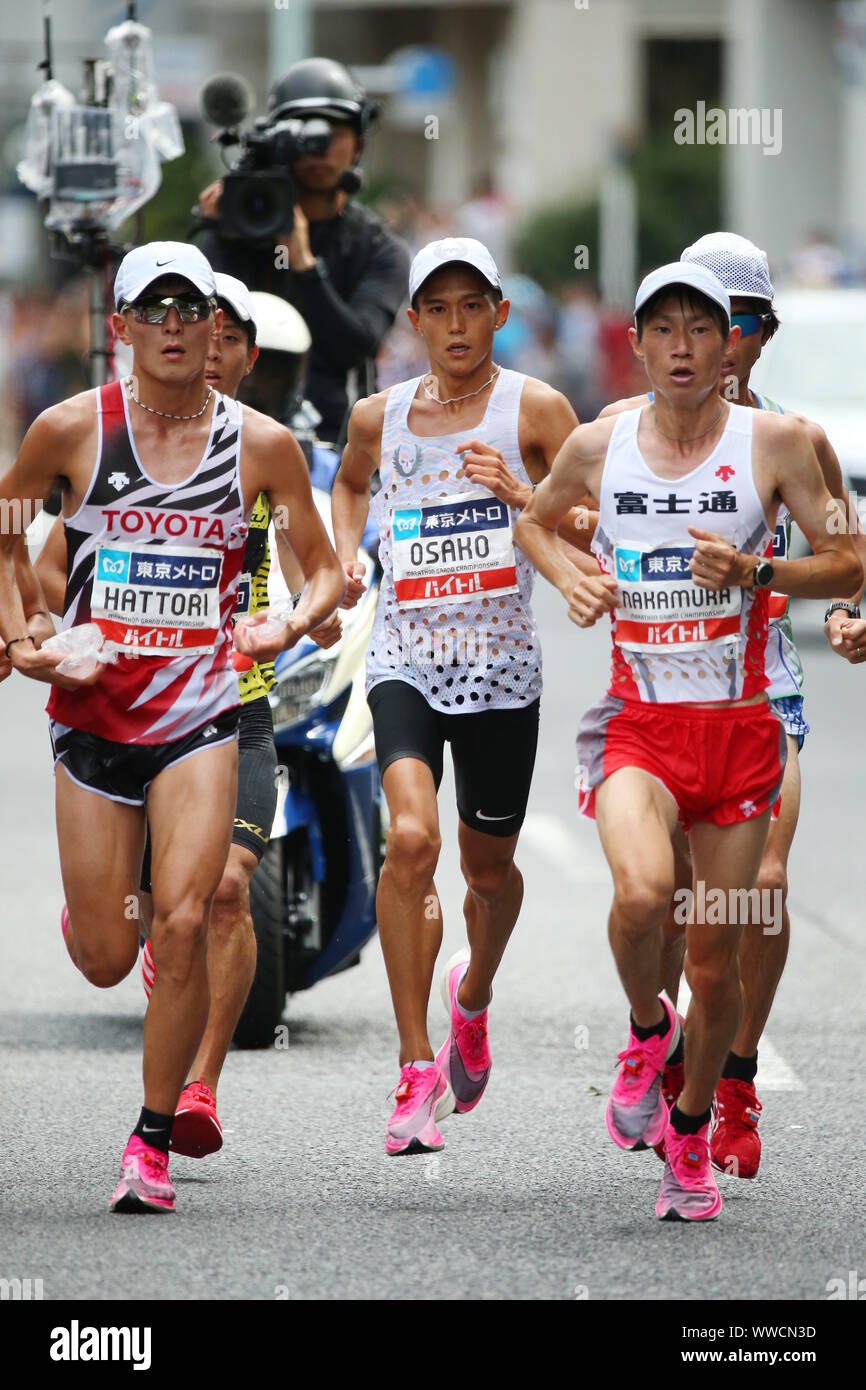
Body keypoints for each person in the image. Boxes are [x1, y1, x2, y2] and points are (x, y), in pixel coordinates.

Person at [0, 241, 345, 1212]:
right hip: (92, 717)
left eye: (190, 310)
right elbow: (3, 533)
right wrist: (30, 633)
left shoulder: (263, 445)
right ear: (120, 328)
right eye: (153, 310)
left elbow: (318, 564)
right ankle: (101, 908)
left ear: (212, 326)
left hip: (202, 715)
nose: (174, 327)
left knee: (188, 920)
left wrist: (289, 616)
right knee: (110, 956)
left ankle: (152, 1140)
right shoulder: (68, 431)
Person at [515, 262, 860, 1221]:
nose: (681, 347)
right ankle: (643, 1028)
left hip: (742, 735)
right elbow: (537, 526)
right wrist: (574, 579)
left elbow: (849, 562)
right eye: (662, 329)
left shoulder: (782, 442)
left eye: (700, 330)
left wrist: (757, 572)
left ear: (729, 347)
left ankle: (694, 1131)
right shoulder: (599, 443)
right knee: (638, 895)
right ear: (638, 344)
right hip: (641, 728)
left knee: (716, 955)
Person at [599, 232, 866, 1179]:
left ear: (755, 333)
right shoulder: (626, 431)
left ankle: (737, 1075)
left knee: (761, 889)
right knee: (662, 898)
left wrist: (839, 612)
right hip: (659, 706)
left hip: (764, 698)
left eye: (735, 322)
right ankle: (669, 1047)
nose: (713, 340)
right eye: (682, 322)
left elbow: (847, 554)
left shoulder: (794, 437)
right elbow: (564, 517)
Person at [332, 236, 594, 1155]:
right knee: (410, 841)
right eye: (436, 308)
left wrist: (523, 492)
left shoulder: (539, 408)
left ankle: (471, 995)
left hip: (501, 671)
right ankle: (413, 1066)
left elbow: (594, 524)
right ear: (413, 321)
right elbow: (351, 487)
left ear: (500, 314)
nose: (454, 323)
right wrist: (350, 562)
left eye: (471, 305)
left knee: (488, 872)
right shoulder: (379, 416)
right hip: (405, 656)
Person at [196, 57, 410, 443]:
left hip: (334, 450)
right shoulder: (238, 229)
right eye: (305, 135)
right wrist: (221, 232)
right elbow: (200, 331)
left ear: (359, 144)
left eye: (333, 132)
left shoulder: (379, 248)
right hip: (225, 442)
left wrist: (305, 264)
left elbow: (355, 346)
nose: (319, 147)